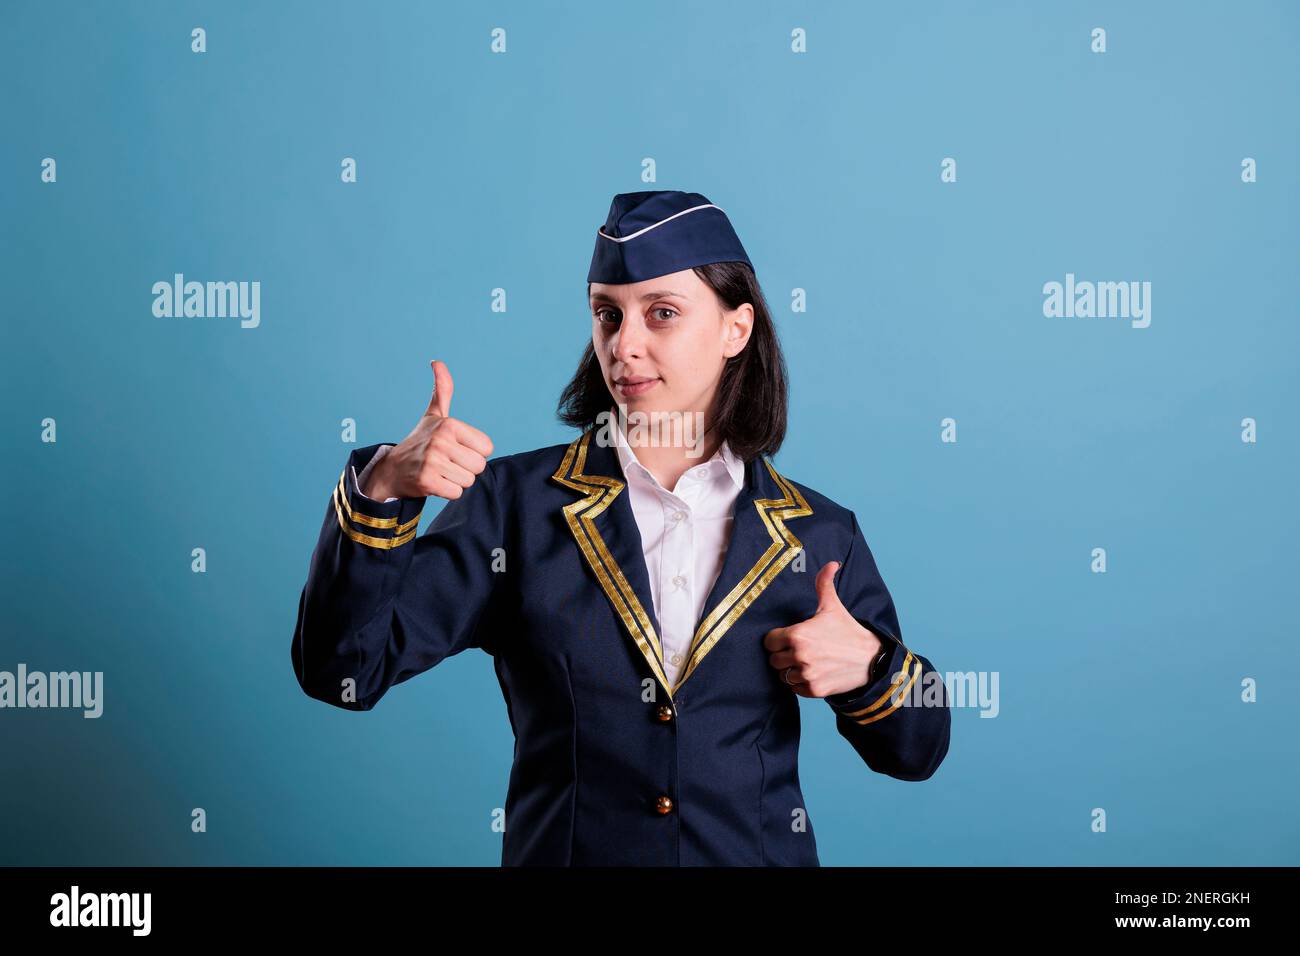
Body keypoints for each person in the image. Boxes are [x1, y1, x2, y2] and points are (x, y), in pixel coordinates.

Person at [290, 190, 951, 866]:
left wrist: (871, 669)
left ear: (737, 329)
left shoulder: (819, 534)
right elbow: (343, 671)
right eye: (607, 314)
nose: (623, 344)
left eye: (661, 313)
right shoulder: (514, 508)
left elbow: (919, 749)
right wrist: (382, 489)